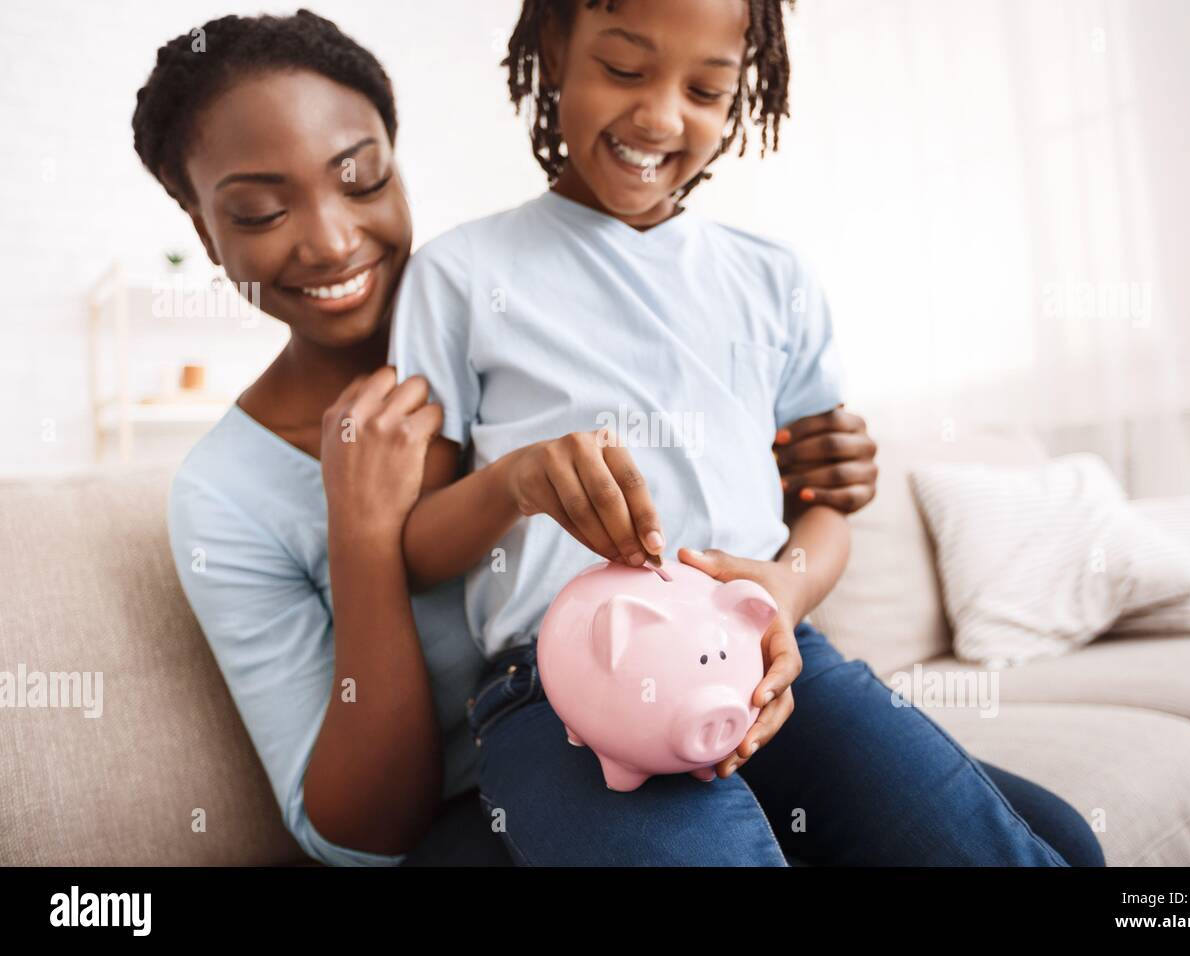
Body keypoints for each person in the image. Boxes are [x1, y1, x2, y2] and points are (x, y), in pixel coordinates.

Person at [133, 8, 879, 865]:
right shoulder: (224, 496)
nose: (332, 241)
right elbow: (356, 836)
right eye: (262, 211)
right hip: (512, 794)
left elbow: (735, 486)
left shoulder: (514, 313)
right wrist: (363, 534)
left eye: (363, 180)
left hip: (712, 700)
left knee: (1000, 824)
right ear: (204, 230)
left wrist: (819, 476)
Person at [386, 0, 1106, 866]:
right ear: (554, 47)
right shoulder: (459, 276)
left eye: (706, 90)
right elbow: (418, 549)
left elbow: (826, 510)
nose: (660, 117)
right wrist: (515, 481)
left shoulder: (773, 278)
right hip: (562, 686)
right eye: (624, 69)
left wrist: (785, 593)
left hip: (773, 658)